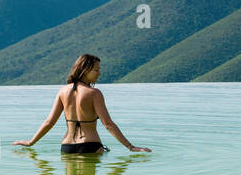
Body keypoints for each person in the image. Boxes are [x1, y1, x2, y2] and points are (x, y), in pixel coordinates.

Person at [13, 53, 151, 153]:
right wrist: (130, 147)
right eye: (96, 70)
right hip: (90, 146)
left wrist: (31, 142)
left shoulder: (62, 91)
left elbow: (49, 122)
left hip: (67, 147)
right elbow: (108, 124)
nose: (99, 73)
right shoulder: (94, 93)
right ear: (85, 70)